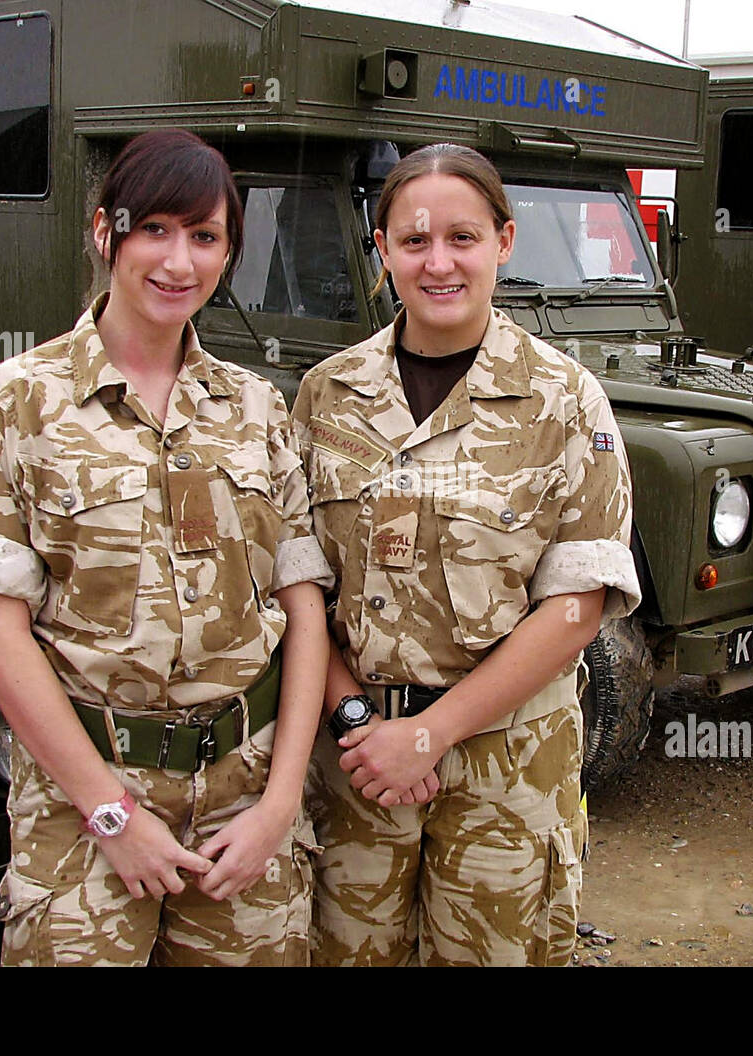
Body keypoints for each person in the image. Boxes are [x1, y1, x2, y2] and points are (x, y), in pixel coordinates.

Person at [0, 129, 332, 966]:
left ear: (229, 251)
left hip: (245, 803)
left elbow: (304, 612)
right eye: (153, 228)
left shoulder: (258, 410)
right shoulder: (22, 402)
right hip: (84, 803)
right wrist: (110, 814)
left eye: (205, 237)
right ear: (103, 232)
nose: (178, 261)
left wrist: (279, 803)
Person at [293, 142, 642, 966]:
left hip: (506, 771)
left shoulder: (564, 400)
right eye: (413, 242)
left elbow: (576, 606)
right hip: (358, 764)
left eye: (463, 237)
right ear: (382, 250)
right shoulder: (327, 394)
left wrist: (432, 732)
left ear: (505, 242)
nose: (438, 262)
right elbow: (300, 587)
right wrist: (357, 722)